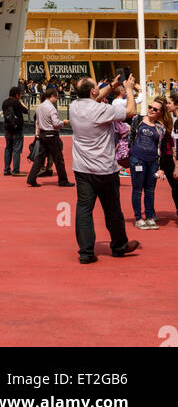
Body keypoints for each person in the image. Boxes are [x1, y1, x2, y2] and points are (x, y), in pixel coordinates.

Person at [68, 74, 140, 264]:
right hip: (104, 169)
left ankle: (86, 252)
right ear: (93, 91)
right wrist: (129, 89)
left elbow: (94, 96)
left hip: (82, 168)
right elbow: (131, 111)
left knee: (84, 209)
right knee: (112, 209)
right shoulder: (102, 109)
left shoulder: (74, 106)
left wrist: (112, 85)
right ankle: (118, 245)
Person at [129, 97, 168, 229]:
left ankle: (150, 217)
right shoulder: (138, 120)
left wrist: (161, 167)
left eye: (155, 109)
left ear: (160, 113)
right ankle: (139, 218)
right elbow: (130, 137)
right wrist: (132, 153)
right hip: (137, 160)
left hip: (153, 163)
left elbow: (162, 148)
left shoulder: (161, 128)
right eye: (150, 107)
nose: (151, 110)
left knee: (150, 190)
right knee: (137, 190)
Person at [26, 88, 73, 187]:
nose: (57, 99)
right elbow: (56, 123)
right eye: (56, 97)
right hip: (51, 135)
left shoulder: (39, 107)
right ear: (52, 96)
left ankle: (31, 178)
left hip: (43, 134)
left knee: (39, 158)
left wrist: (38, 134)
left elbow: (37, 122)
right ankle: (63, 180)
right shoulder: (51, 108)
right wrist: (63, 122)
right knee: (58, 159)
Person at [1, 86, 29, 176]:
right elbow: (26, 111)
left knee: (8, 148)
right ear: (17, 95)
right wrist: (22, 103)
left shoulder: (4, 102)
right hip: (17, 128)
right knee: (17, 149)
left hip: (7, 128)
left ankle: (6, 169)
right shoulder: (16, 102)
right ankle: (16, 170)